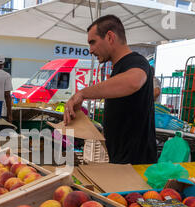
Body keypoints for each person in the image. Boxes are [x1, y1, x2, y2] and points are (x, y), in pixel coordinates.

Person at [64, 15, 157, 165]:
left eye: (93, 42)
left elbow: (133, 81)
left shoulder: (136, 61)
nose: (91, 50)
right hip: (122, 162)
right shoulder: (119, 68)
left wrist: (82, 93)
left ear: (109, 37)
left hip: (137, 165)